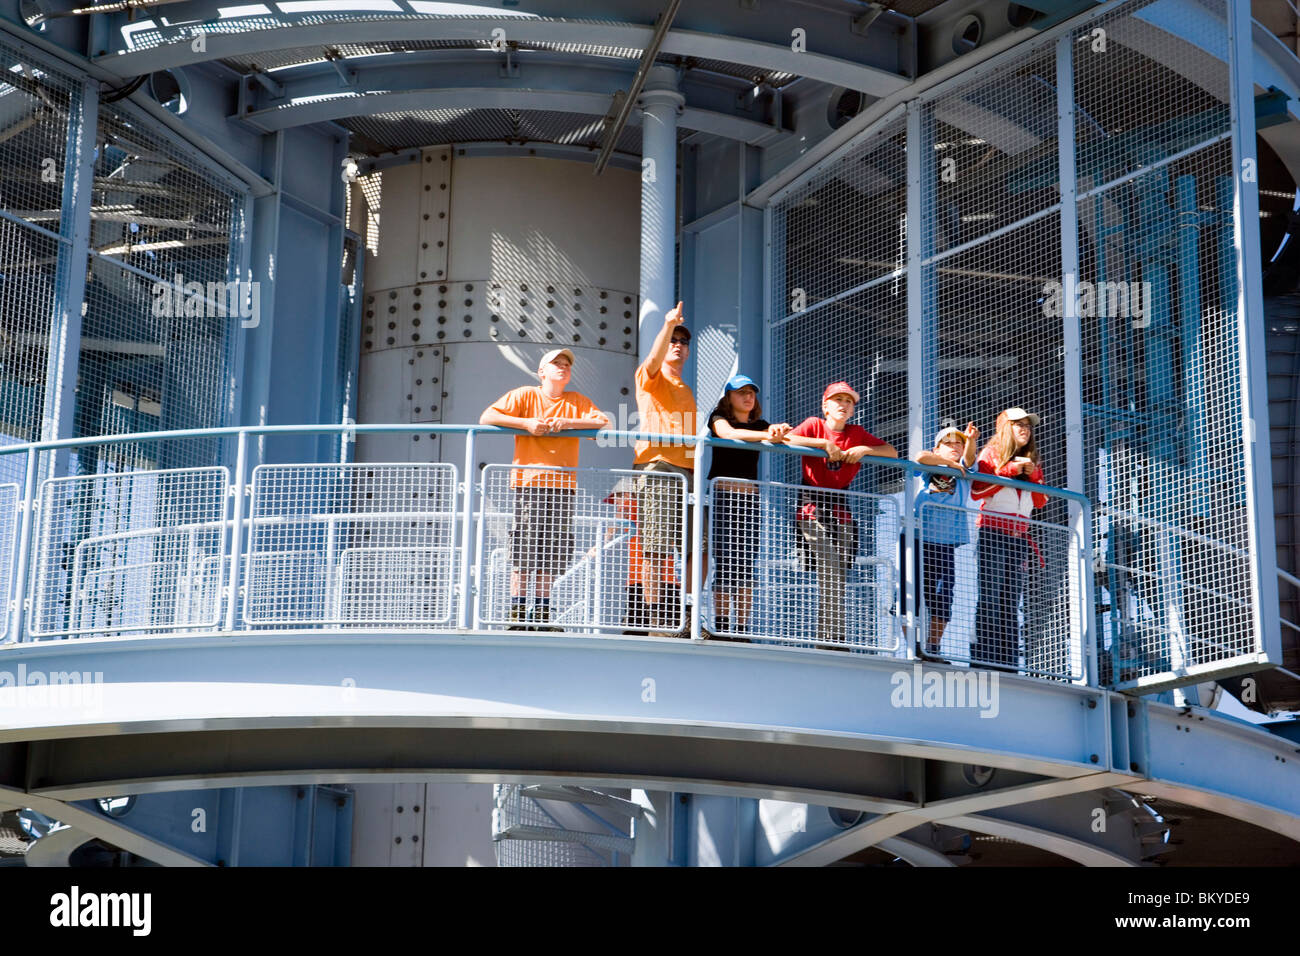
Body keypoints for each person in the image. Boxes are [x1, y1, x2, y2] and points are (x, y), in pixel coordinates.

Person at [480, 348, 609, 630]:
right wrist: (525, 422)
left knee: (553, 550)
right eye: (556, 364)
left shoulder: (576, 401)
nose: (563, 368)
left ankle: (541, 613)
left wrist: (568, 423)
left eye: (566, 365)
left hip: (563, 487)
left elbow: (602, 422)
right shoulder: (525, 395)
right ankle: (517, 613)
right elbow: (487, 417)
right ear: (541, 372)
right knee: (525, 548)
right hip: (531, 483)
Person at [784, 382, 898, 646]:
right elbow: (788, 438)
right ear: (825, 406)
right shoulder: (815, 425)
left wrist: (865, 449)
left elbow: (891, 451)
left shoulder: (856, 433)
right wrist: (823, 444)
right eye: (838, 400)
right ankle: (832, 639)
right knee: (831, 571)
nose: (844, 405)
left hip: (841, 514)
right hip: (812, 511)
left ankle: (831, 636)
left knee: (836, 576)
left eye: (849, 401)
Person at [706, 374, 791, 640]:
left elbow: (787, 438)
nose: (747, 397)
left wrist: (779, 431)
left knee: (745, 565)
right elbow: (728, 434)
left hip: (749, 502)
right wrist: (768, 434)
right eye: (740, 392)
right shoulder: (719, 418)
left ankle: (741, 631)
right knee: (725, 563)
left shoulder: (762, 426)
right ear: (728, 397)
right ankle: (721, 627)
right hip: (723, 499)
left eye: (751, 392)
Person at [634, 301, 698, 635]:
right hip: (658, 467)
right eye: (675, 339)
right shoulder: (651, 376)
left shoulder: (686, 389)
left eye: (684, 341)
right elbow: (654, 360)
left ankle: (688, 615)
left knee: (693, 549)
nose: (678, 345)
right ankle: (656, 619)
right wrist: (667, 325)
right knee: (656, 548)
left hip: (688, 472)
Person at [970, 407, 1047, 669]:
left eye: (1027, 424)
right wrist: (1010, 471)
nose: (1025, 428)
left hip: (1019, 538)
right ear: (1005, 427)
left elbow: (1040, 502)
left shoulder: (1032, 459)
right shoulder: (990, 454)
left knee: (1011, 601)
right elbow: (978, 490)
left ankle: (1008, 663)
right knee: (990, 597)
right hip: (993, 533)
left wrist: (1033, 476)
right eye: (1018, 424)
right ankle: (983, 660)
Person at [904, 422, 979, 658]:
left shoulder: (965, 471)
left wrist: (971, 440)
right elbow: (920, 457)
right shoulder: (934, 465)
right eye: (948, 443)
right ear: (938, 449)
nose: (955, 446)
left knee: (943, 595)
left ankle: (932, 648)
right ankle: (911, 648)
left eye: (959, 443)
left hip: (945, 544)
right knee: (910, 592)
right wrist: (948, 463)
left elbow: (969, 458)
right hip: (917, 537)